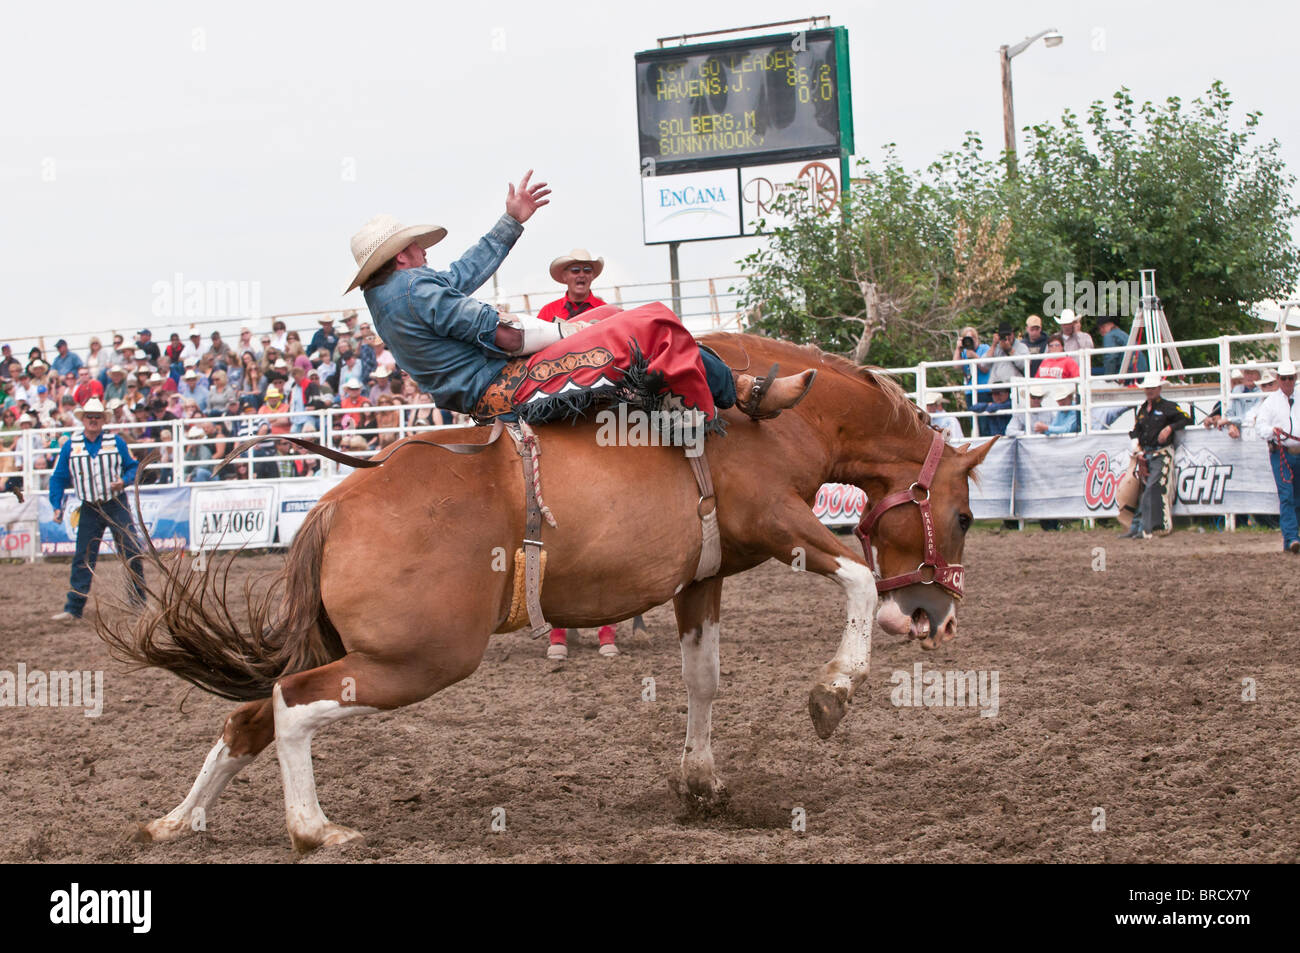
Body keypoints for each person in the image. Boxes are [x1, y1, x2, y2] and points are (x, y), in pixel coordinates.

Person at [348, 170, 814, 436]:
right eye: (417, 245)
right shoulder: (416, 288)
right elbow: (502, 334)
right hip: (505, 381)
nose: (425, 250)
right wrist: (564, 332)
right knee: (651, 321)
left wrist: (511, 223)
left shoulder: (390, 299)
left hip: (479, 392)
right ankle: (739, 393)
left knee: (613, 315)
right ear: (402, 255)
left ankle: (708, 391)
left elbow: (460, 279)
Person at [47, 398, 146, 621]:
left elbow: (133, 467)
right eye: (89, 417)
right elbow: (59, 478)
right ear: (83, 420)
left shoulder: (116, 442)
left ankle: (138, 602)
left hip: (116, 503)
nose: (93, 420)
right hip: (90, 507)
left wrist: (124, 481)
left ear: (103, 420)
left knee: (131, 551)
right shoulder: (71, 446)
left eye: (97, 417)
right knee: (83, 557)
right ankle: (74, 608)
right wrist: (57, 505)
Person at [1121, 373, 1190, 540]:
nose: (1150, 391)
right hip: (1146, 454)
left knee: (1152, 488)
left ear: (1159, 389)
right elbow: (1136, 430)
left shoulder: (1168, 407)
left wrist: (1169, 428)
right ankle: (1138, 527)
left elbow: (1186, 418)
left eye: (1152, 388)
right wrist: (1137, 447)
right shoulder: (1143, 409)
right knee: (1143, 491)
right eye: (1148, 388)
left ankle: (1152, 527)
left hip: (1161, 453)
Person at [1253, 360, 1300, 553]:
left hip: (1293, 451)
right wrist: (1272, 431)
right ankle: (1291, 537)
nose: (1288, 382)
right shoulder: (1270, 402)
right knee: (1287, 495)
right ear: (1279, 379)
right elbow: (1260, 427)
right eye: (1284, 378)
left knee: (1295, 496)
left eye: (1290, 378)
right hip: (1281, 452)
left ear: (1295, 378)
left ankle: (1292, 537)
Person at [537, 249, 608, 322]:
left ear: (592, 275)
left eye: (587, 270)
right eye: (575, 270)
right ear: (565, 276)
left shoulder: (606, 312)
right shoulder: (547, 312)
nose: (582, 275)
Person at [952, 325, 989, 409]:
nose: (970, 341)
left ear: (977, 338)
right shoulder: (964, 352)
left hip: (984, 390)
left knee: (984, 420)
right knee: (973, 419)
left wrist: (974, 357)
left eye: (972, 338)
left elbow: (985, 368)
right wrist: (958, 349)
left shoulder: (984, 348)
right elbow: (956, 366)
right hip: (970, 391)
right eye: (967, 338)